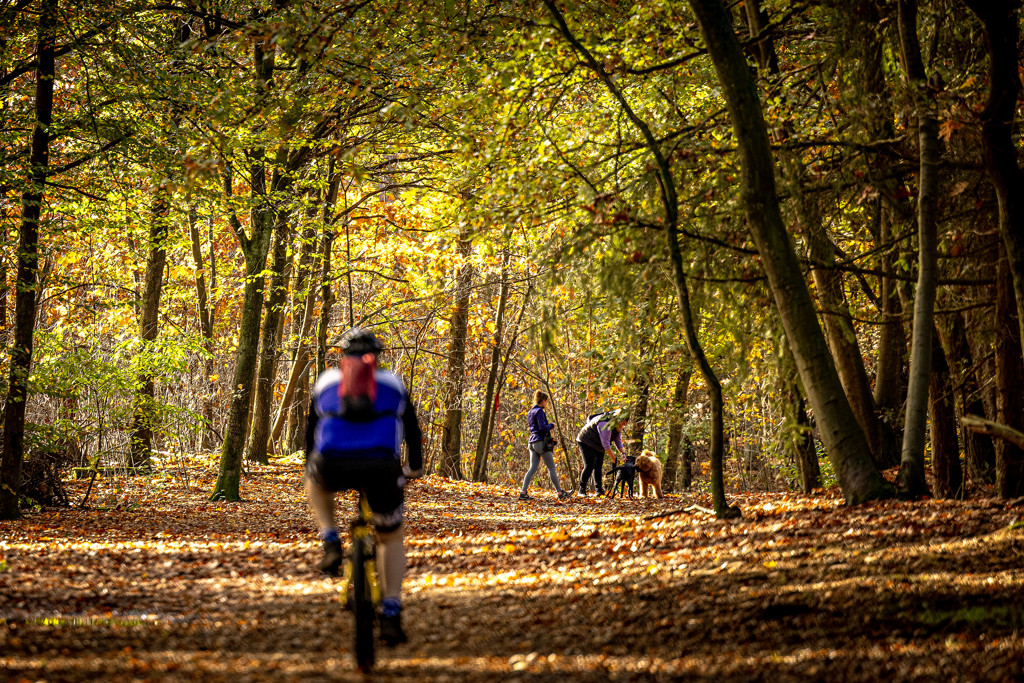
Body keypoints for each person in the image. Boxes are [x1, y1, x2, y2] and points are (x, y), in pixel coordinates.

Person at [304, 327, 423, 646]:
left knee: (313, 479)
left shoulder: (326, 381)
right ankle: (391, 612)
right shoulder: (393, 383)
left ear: (342, 355)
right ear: (378, 356)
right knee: (389, 537)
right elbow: (412, 430)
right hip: (381, 468)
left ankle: (330, 539)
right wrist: (414, 467)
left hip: (332, 465)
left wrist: (310, 465)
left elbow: (311, 434)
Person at [520, 390, 569, 501]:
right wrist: (552, 425)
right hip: (540, 442)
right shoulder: (540, 411)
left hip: (532, 442)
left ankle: (523, 492)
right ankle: (560, 493)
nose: (547, 404)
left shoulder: (530, 412)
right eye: (546, 401)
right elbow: (542, 428)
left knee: (532, 468)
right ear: (542, 401)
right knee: (552, 468)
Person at [575, 409, 628, 496]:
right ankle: (581, 490)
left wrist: (623, 453)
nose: (624, 424)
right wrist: (613, 458)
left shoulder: (618, 426)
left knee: (598, 466)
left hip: (598, 444)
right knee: (589, 465)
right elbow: (606, 444)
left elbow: (618, 441)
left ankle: (599, 490)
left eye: (626, 422)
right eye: (624, 421)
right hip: (585, 440)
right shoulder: (605, 423)